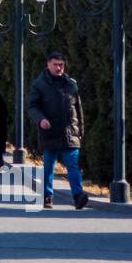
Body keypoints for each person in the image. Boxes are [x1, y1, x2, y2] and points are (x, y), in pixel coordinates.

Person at [27, 51, 89, 210]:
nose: (58, 68)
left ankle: (78, 196)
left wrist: (80, 131)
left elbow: (78, 109)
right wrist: (41, 119)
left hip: (70, 133)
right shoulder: (39, 84)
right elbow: (32, 107)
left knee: (73, 165)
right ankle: (48, 196)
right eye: (55, 64)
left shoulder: (71, 84)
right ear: (48, 64)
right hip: (50, 133)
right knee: (49, 166)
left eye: (61, 65)